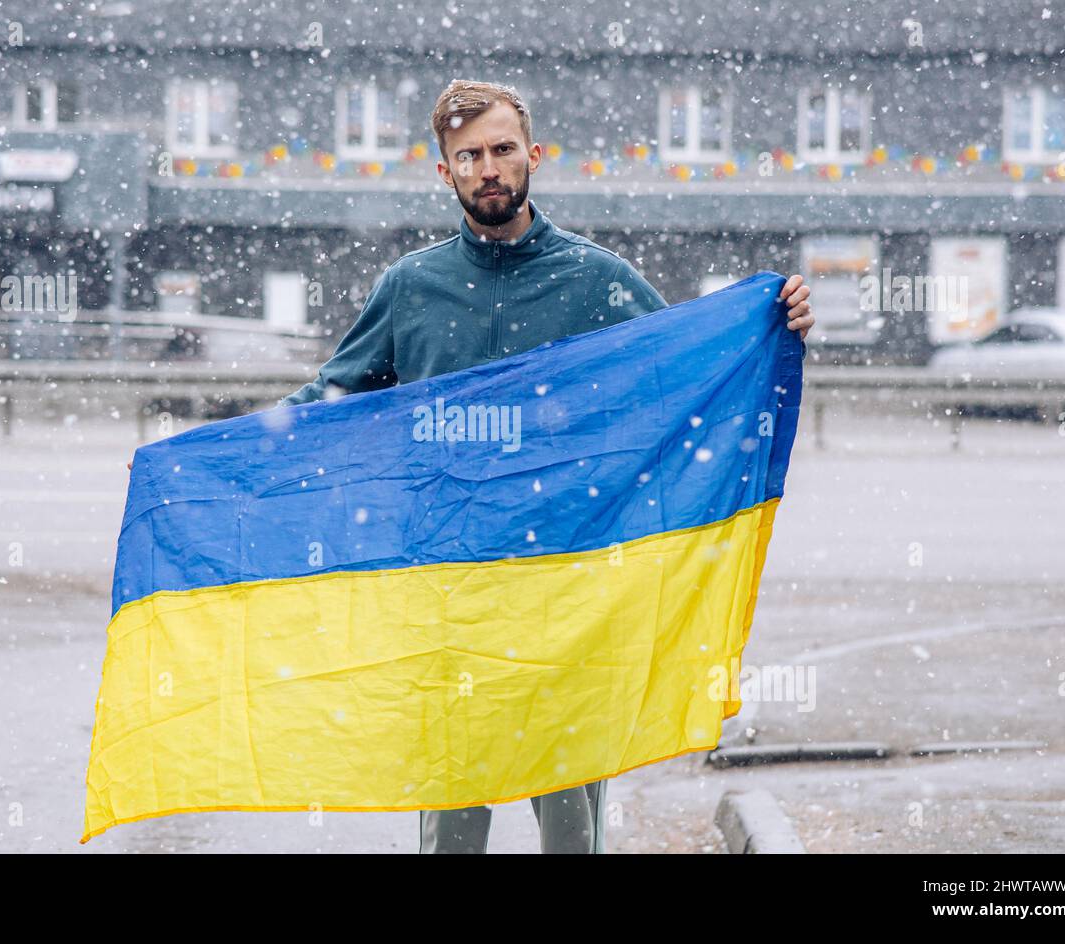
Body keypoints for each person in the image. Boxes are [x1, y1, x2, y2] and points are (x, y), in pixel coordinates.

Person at [279, 79, 815, 852]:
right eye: (469, 156)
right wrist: (219, 457)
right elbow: (332, 398)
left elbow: (688, 375)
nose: (488, 168)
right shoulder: (411, 289)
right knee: (452, 830)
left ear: (533, 155)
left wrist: (775, 330)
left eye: (502, 150)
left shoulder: (596, 280)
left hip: (567, 595)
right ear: (445, 173)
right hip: (449, 596)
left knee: (571, 828)